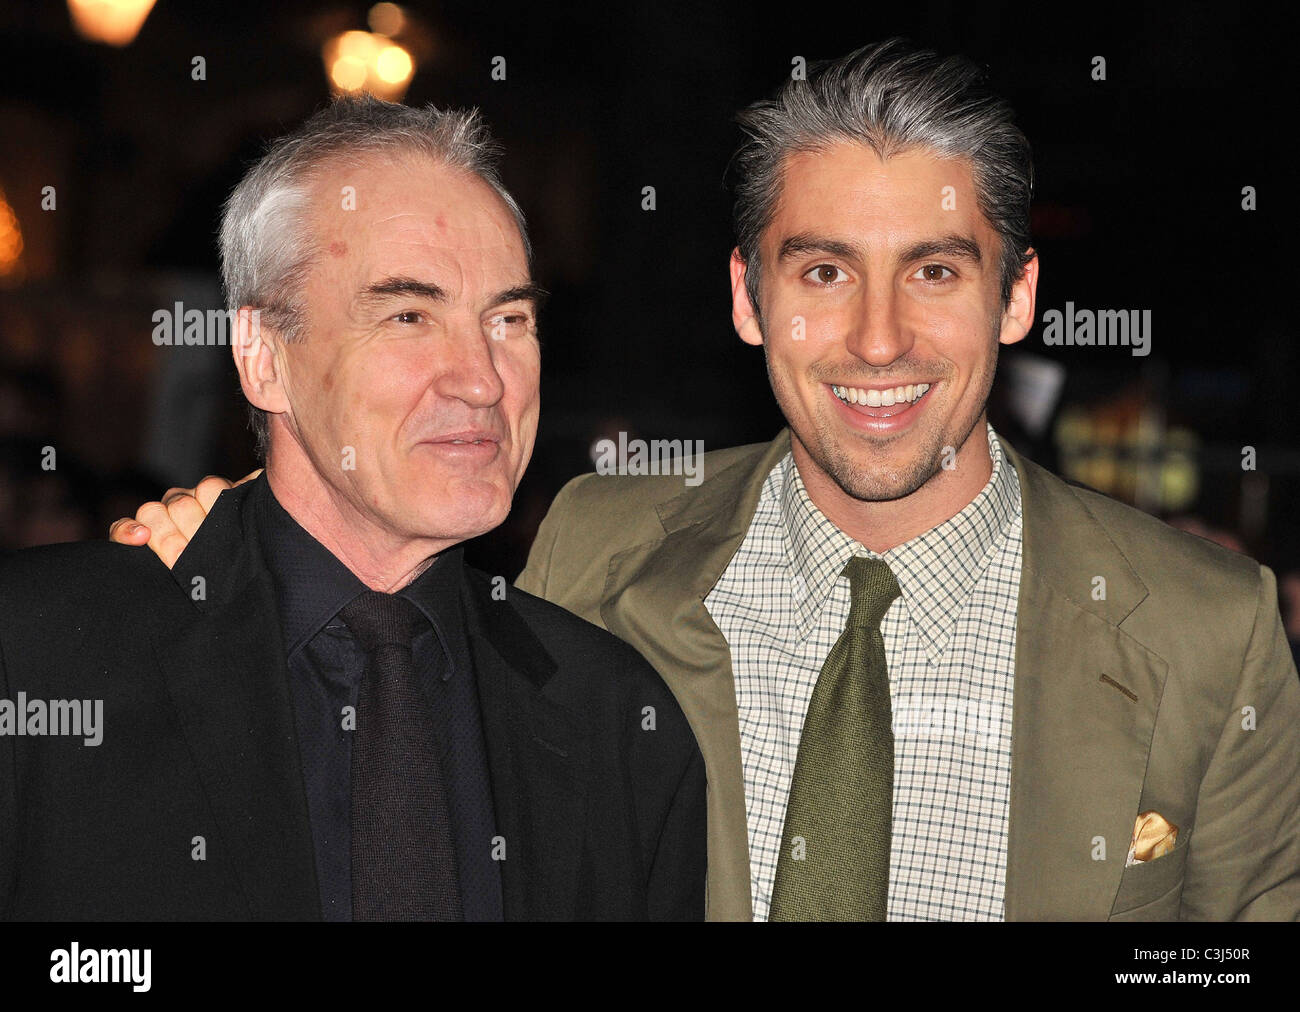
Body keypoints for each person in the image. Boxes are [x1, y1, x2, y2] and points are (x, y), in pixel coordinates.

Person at [114, 41, 1300, 922]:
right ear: (747, 297)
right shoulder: (591, 552)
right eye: (823, 271)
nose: (878, 340)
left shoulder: (1205, 631)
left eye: (935, 272)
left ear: (1017, 295)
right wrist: (234, 545)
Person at [2, 95, 706, 921]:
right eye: (409, 316)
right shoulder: (39, 660)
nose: (483, 378)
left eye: (509, 319)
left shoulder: (619, 719)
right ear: (263, 359)